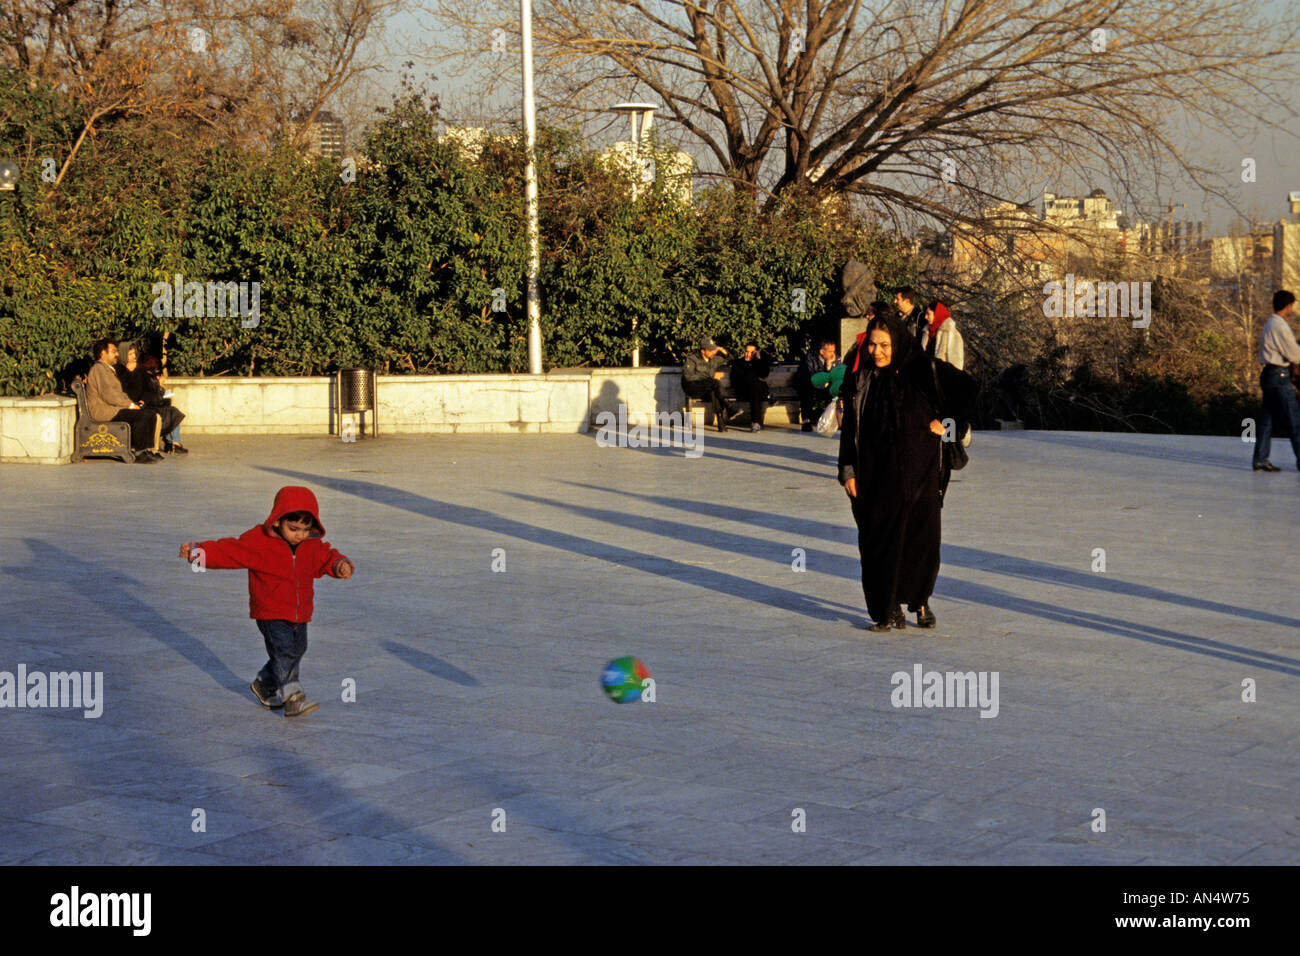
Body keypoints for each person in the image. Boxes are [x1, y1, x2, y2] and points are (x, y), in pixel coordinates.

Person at [838, 312, 975, 631]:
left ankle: (920, 601)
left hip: (921, 474)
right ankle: (887, 610)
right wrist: (848, 469)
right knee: (876, 542)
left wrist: (949, 427)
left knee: (920, 540)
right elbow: (850, 430)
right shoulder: (860, 377)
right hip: (875, 474)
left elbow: (967, 390)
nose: (877, 351)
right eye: (872, 344)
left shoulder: (923, 369)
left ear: (898, 342)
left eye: (884, 344)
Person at [179, 486, 354, 717]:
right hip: (270, 611)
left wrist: (339, 565)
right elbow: (228, 551)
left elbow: (326, 557)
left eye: (305, 529)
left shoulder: (311, 546)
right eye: (293, 529)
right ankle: (293, 696)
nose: (299, 535)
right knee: (284, 652)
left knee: (298, 649)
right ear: (277, 521)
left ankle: (264, 683)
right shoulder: (259, 542)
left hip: (300, 612)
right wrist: (197, 552)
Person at [85, 338, 163, 463]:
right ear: (102, 353)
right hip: (104, 411)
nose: (117, 354)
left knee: (149, 414)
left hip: (113, 409)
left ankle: (146, 449)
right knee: (142, 416)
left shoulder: (107, 369)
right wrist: (130, 406)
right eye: (113, 351)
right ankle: (139, 452)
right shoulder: (99, 369)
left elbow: (119, 394)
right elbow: (110, 395)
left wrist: (133, 404)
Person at [1251, 289, 1300, 472]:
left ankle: (1260, 460)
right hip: (1279, 375)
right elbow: (1293, 353)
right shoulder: (1280, 326)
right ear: (1288, 306)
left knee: (1267, 420)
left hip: (1269, 375)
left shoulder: (1270, 324)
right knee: (1294, 420)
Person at [116, 343, 188, 454]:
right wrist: (128, 372)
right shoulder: (119, 370)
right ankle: (171, 443)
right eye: (130, 354)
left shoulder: (139, 369)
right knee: (166, 412)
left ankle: (173, 443)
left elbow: (148, 390)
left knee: (171, 410)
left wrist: (143, 400)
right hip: (129, 406)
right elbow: (123, 390)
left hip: (143, 403)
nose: (134, 356)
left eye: (134, 353)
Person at [683, 335, 730, 433]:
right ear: (703, 350)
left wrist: (721, 349)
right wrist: (707, 378)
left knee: (714, 390)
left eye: (714, 350)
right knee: (714, 382)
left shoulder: (715, 359)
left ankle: (721, 421)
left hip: (709, 388)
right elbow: (688, 377)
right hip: (693, 388)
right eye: (710, 350)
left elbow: (730, 359)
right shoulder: (692, 359)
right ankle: (728, 407)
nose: (713, 352)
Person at [795, 339, 841, 431]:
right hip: (809, 385)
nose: (833, 354)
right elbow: (813, 377)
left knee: (836, 390)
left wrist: (829, 366)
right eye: (830, 351)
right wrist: (827, 372)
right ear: (821, 351)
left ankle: (832, 420)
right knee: (807, 391)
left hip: (824, 386)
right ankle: (806, 421)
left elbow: (838, 375)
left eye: (834, 351)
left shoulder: (836, 358)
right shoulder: (810, 358)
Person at [729, 342, 771, 432]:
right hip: (743, 391)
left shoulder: (759, 362)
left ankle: (755, 423)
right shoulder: (738, 363)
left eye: (752, 352)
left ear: (756, 353)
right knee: (755, 383)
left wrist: (758, 359)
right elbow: (738, 378)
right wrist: (756, 376)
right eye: (747, 352)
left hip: (755, 391)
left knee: (756, 391)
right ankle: (768, 396)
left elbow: (765, 373)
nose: (748, 354)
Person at [924, 302, 965, 370]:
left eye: (928, 314)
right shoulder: (927, 332)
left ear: (937, 314)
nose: (925, 317)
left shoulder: (952, 335)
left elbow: (956, 366)